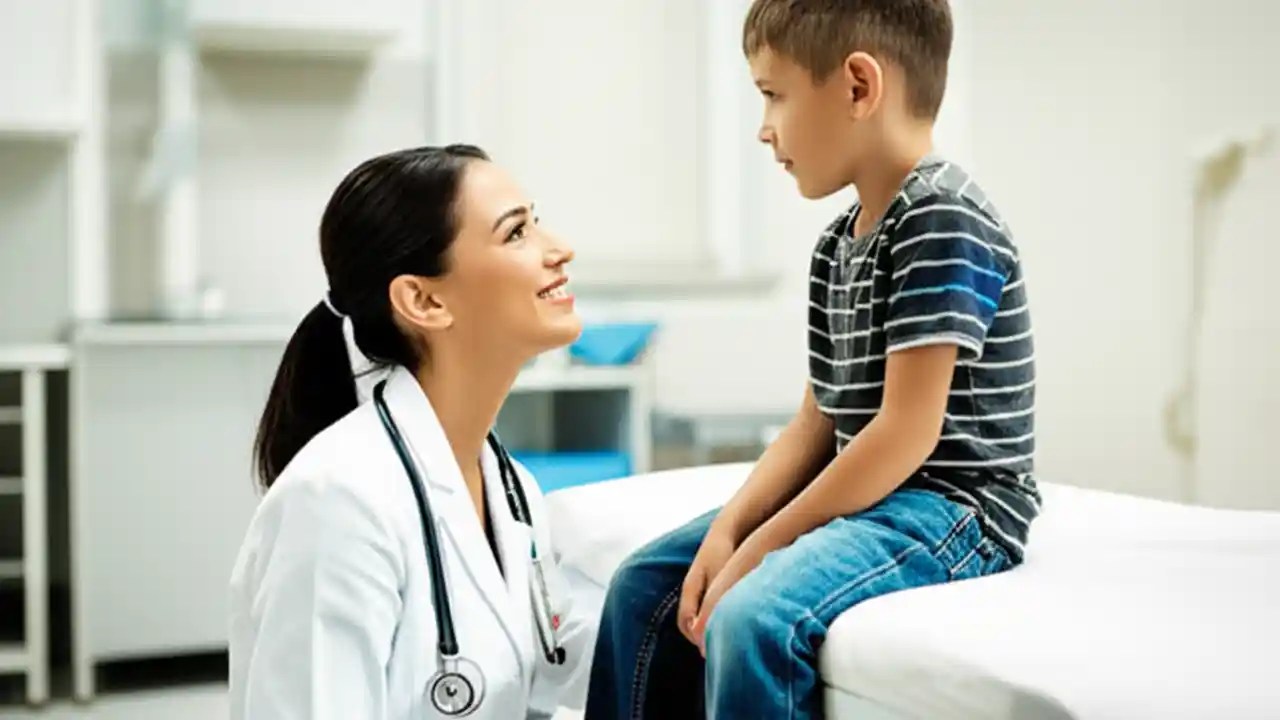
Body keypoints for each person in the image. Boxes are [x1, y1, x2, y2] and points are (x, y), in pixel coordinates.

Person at [584, 1, 1040, 717]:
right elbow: (815, 423)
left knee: (755, 617)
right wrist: (732, 530)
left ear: (858, 87)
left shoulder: (942, 216)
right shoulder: (837, 244)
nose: (764, 129)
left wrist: (759, 552)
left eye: (773, 94)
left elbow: (904, 435)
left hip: (955, 507)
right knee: (644, 585)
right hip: (882, 496)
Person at [228, 145, 593, 719]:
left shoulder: (513, 490)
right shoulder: (337, 501)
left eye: (535, 222)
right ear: (423, 300)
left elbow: (550, 676)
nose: (560, 250)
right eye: (516, 233)